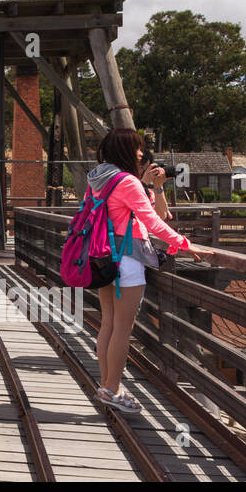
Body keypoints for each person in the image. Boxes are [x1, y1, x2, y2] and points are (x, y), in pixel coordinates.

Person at [88, 128, 206, 413]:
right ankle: (112, 389)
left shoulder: (99, 178)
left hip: (104, 256)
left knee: (108, 324)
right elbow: (153, 223)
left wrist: (151, 187)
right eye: (137, 148)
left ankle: (106, 385)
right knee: (122, 330)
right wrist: (185, 244)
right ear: (126, 150)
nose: (141, 153)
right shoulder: (127, 181)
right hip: (127, 258)